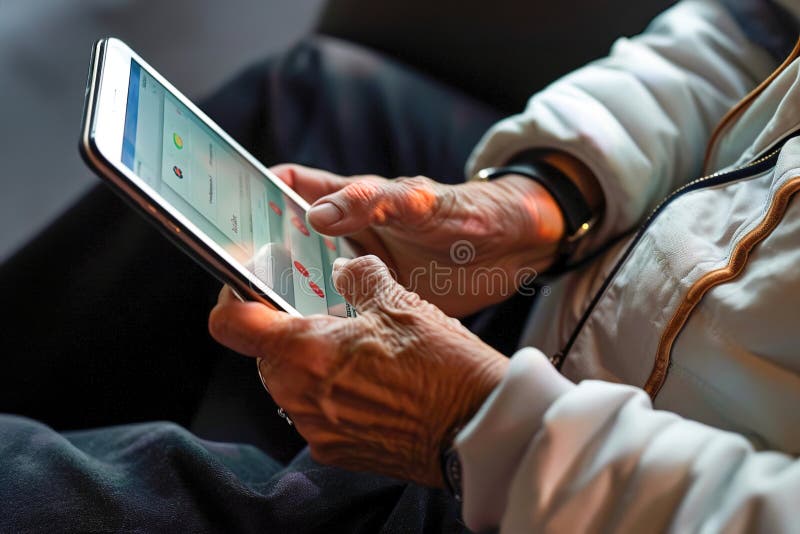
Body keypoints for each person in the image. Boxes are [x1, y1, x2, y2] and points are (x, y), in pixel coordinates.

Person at [1, 0, 799, 532]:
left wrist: (479, 425)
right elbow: (753, 28)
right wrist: (549, 198)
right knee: (304, 105)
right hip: (608, 269)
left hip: (575, 484)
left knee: (36, 485)